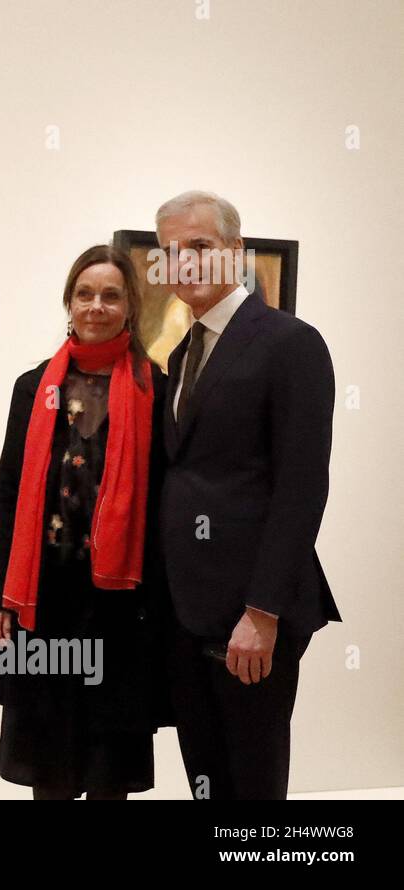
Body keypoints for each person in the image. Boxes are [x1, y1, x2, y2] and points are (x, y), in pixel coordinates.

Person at [155, 190, 339, 800]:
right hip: (187, 611)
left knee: (253, 786)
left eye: (200, 247)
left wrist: (262, 612)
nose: (186, 263)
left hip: (251, 614)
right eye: (171, 252)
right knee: (206, 779)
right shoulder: (181, 354)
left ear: (236, 251)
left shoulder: (290, 342)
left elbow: (303, 487)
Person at [0, 244, 171, 799]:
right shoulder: (33, 388)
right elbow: (7, 495)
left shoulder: (155, 389)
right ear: (69, 301)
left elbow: (164, 506)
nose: (96, 306)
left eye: (111, 295)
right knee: (50, 764)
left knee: (110, 768)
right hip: (45, 599)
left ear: (130, 306)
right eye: (85, 294)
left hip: (121, 606)